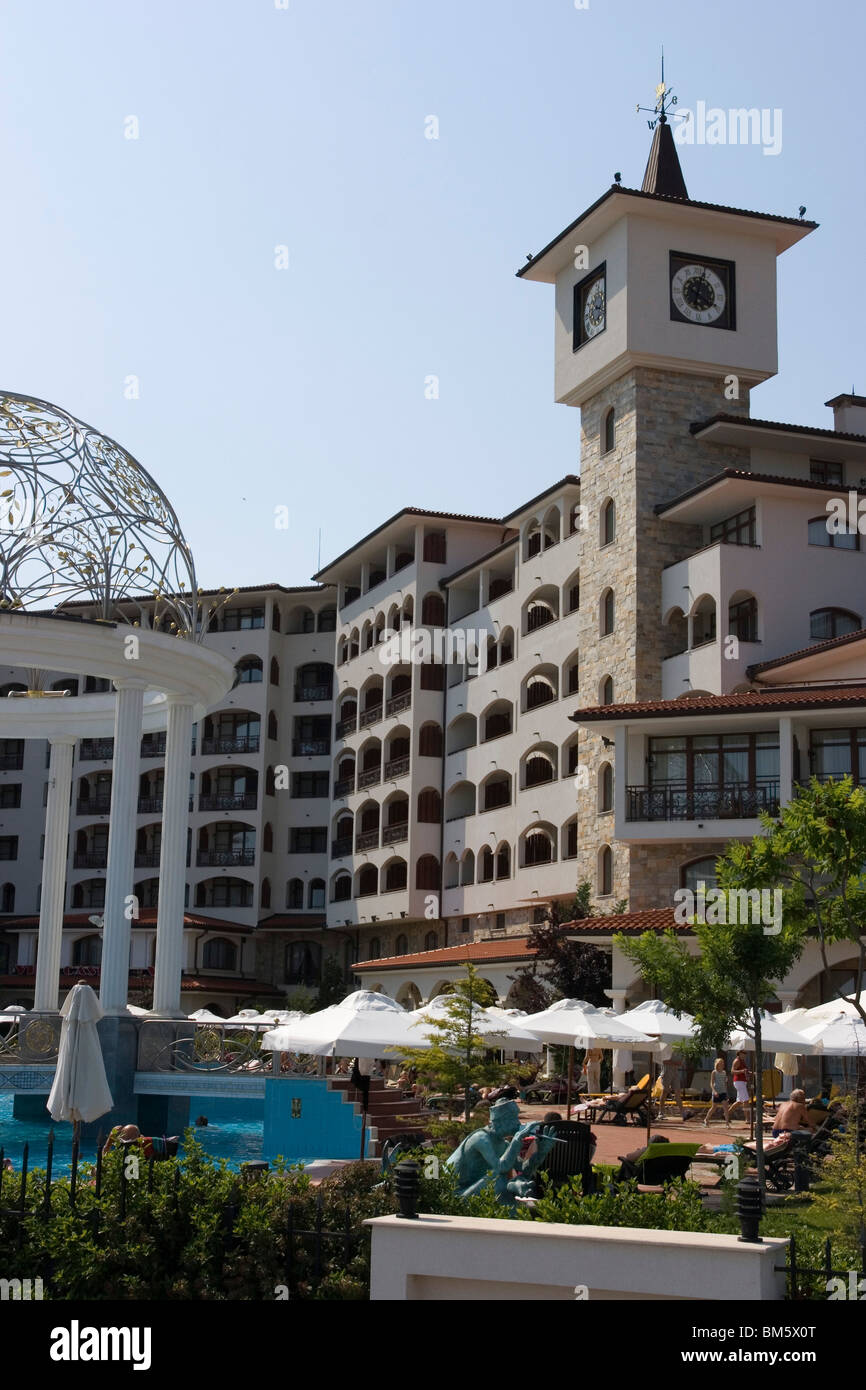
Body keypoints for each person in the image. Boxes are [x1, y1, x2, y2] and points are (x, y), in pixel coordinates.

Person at [704, 1058, 731, 1127]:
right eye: (720, 1063)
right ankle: (706, 1119)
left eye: (723, 1063)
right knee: (714, 1107)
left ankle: (727, 1123)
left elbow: (725, 1083)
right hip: (716, 1092)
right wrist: (714, 1091)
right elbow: (711, 1083)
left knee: (725, 1107)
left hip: (723, 1092)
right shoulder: (714, 1072)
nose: (722, 1065)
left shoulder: (724, 1072)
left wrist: (727, 1093)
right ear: (717, 1064)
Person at [657, 1053, 685, 1120]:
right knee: (665, 1091)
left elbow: (680, 1063)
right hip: (666, 1072)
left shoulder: (681, 1051)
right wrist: (675, 1063)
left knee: (678, 1092)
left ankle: (683, 1113)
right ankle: (660, 1113)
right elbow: (664, 1061)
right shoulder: (667, 1049)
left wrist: (672, 1062)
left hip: (675, 1073)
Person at [731, 1051, 750, 1118]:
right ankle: (747, 1119)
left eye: (745, 1054)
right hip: (739, 1081)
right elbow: (732, 1071)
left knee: (739, 1101)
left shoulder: (742, 1061)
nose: (744, 1055)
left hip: (742, 1082)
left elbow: (744, 1071)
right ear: (739, 1053)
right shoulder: (737, 1061)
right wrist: (742, 1071)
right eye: (743, 1054)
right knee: (746, 1100)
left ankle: (726, 1114)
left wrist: (751, 1073)